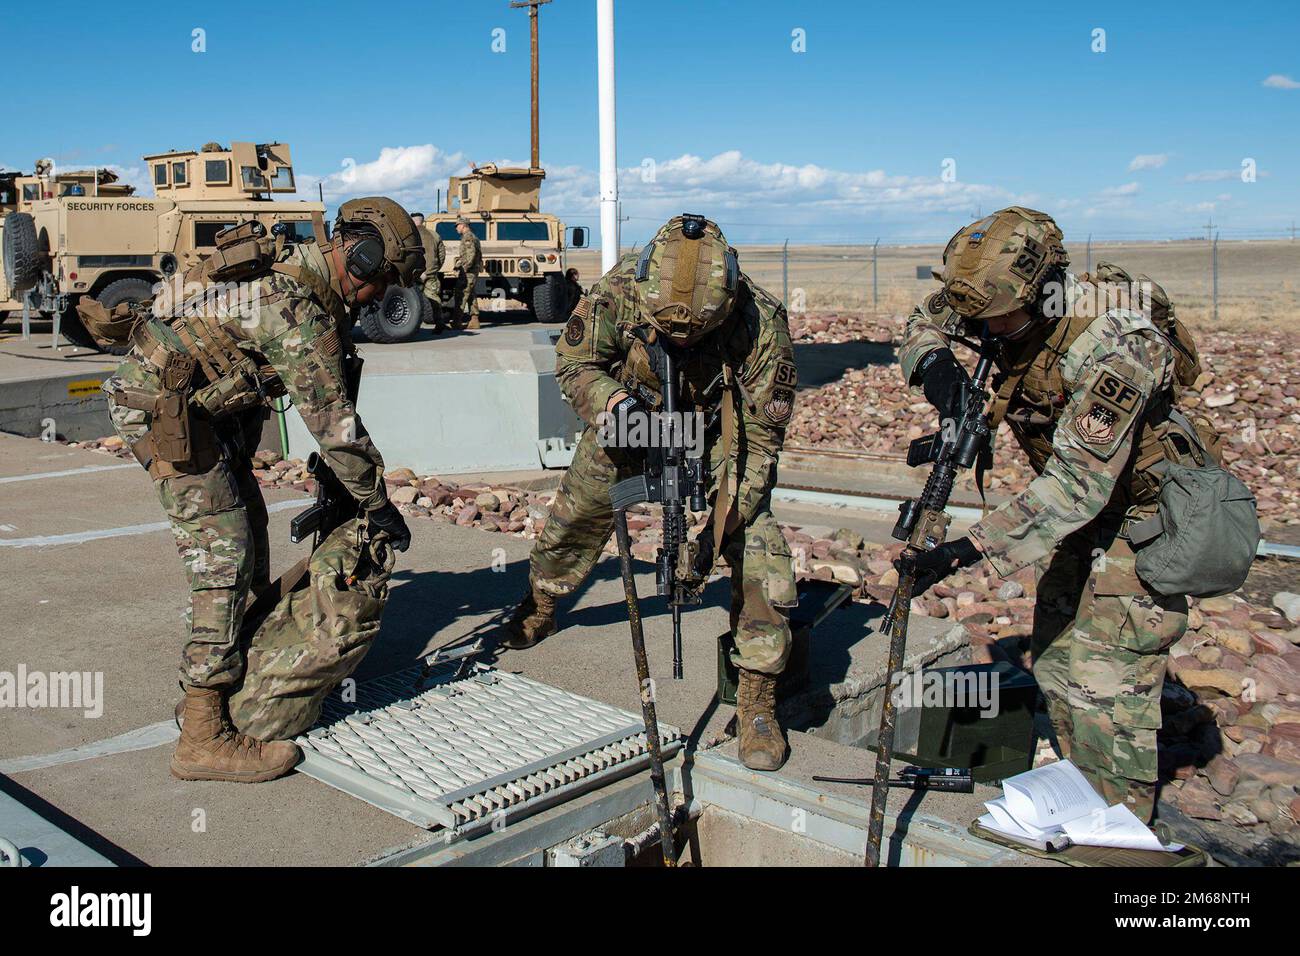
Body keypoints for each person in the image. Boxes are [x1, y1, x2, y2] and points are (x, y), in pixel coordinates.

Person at [898, 206, 1211, 822]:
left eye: (996, 320)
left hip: (1144, 517)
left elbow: (1076, 486)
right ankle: (1081, 790)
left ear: (1044, 289)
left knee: (1107, 677)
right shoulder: (995, 301)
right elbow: (922, 322)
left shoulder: (1117, 342)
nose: (983, 330)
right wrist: (939, 373)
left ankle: (1119, 830)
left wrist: (965, 551)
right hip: (1084, 516)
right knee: (1059, 653)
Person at [101, 197, 421, 784]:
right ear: (363, 256)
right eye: (386, 281)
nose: (381, 297)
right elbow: (334, 425)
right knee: (222, 555)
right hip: (164, 411)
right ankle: (202, 734)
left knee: (248, 529)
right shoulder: (296, 307)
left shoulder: (293, 276)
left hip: (205, 412)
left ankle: (237, 683)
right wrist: (378, 503)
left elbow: (248, 377)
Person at [501, 213, 800, 771]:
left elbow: (760, 445)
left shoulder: (762, 323)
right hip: (633, 418)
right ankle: (542, 600)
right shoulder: (619, 290)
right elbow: (575, 363)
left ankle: (757, 695)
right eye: (670, 330)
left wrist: (715, 532)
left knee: (761, 547)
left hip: (718, 436)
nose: (683, 340)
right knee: (581, 504)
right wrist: (616, 405)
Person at [411, 212, 447, 333]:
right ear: (423, 221)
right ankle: (439, 323)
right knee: (434, 300)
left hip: (414, 275)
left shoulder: (410, 236)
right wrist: (434, 268)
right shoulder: (434, 235)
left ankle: (412, 326)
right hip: (431, 273)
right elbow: (442, 254)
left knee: (412, 301)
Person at [453, 215, 483, 330]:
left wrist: (464, 268)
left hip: (468, 272)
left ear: (463, 225)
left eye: (457, 226)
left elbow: (471, 255)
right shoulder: (473, 237)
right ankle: (474, 320)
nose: (456, 228)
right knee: (471, 295)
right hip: (472, 271)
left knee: (461, 294)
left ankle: (457, 321)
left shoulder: (468, 237)